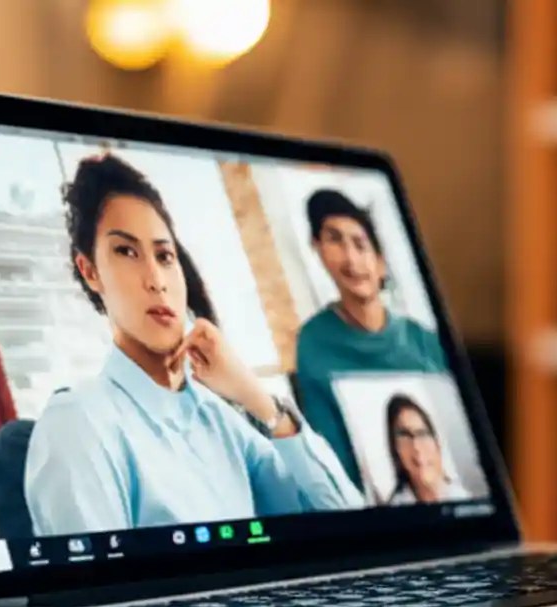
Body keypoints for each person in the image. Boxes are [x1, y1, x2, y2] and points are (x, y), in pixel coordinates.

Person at [24, 153, 362, 537]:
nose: (156, 280)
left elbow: (346, 522)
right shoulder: (78, 422)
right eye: (126, 251)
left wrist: (254, 394)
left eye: (165, 256)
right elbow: (95, 590)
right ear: (90, 271)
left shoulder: (215, 418)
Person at [294, 189, 447, 493]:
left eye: (360, 244)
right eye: (335, 240)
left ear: (380, 263)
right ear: (318, 248)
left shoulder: (426, 341)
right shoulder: (313, 342)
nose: (351, 259)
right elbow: (330, 461)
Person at [384, 394, 470, 504]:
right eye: (405, 436)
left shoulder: (463, 499)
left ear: (437, 445)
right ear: (395, 450)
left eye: (422, 433)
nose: (416, 446)